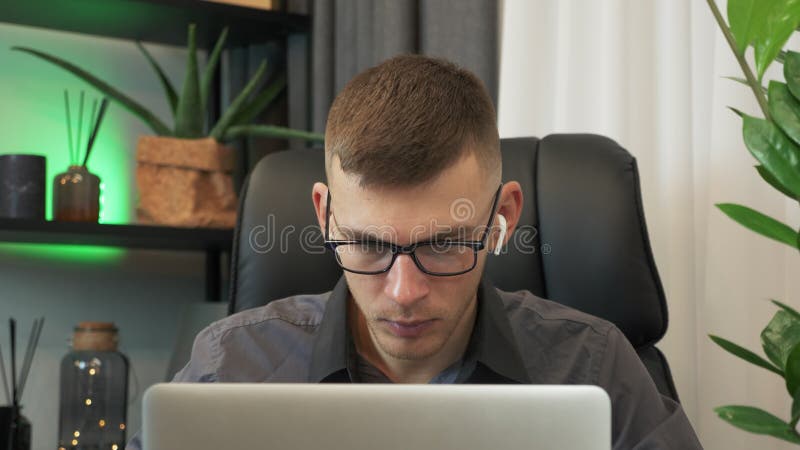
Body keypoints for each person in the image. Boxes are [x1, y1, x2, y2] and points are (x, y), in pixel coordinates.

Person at [127, 54, 703, 449]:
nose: (404, 293)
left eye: (444, 244)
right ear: (325, 216)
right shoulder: (230, 368)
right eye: (368, 244)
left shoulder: (594, 368)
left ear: (502, 217)